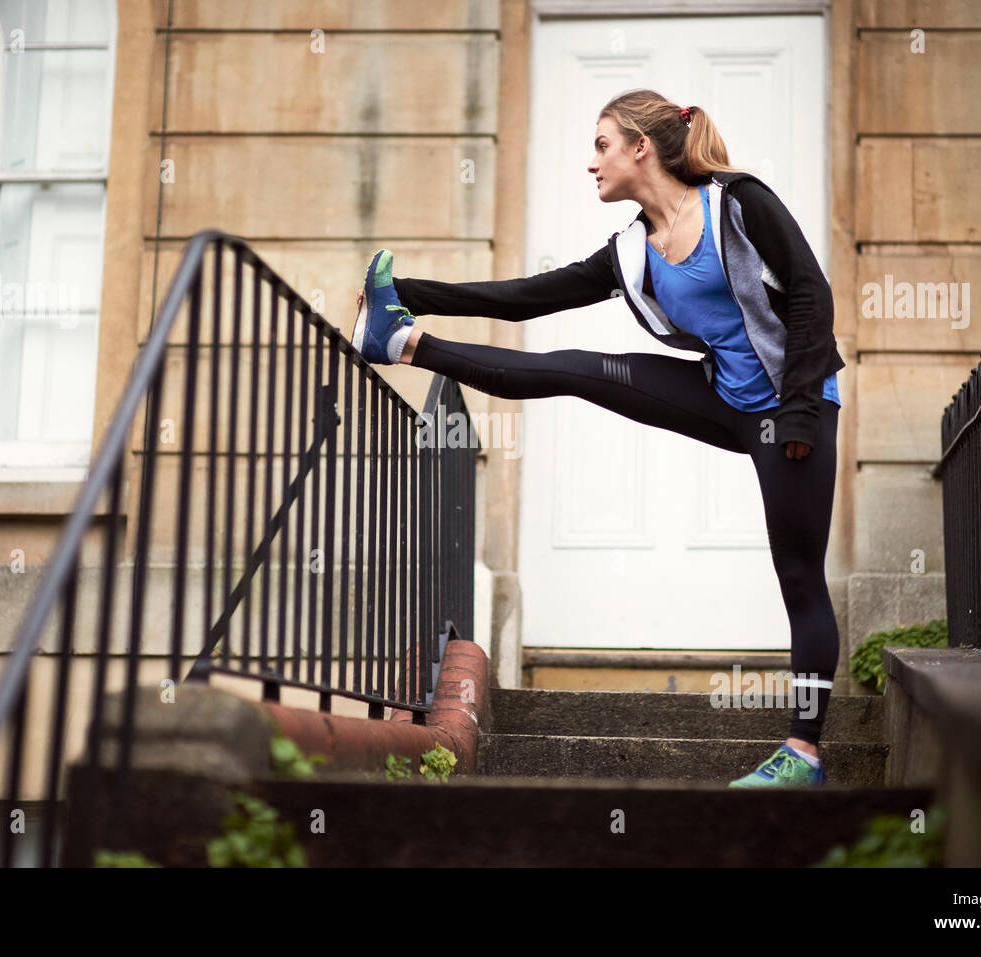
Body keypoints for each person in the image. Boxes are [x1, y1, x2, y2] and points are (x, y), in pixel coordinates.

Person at [349, 88, 845, 788]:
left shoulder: (738, 203)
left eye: (602, 145)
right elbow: (530, 295)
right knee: (576, 369)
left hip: (796, 411)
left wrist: (797, 410)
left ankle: (805, 752)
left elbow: (808, 294)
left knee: (799, 574)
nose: (592, 163)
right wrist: (410, 289)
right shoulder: (633, 253)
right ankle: (399, 339)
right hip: (724, 397)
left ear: (642, 146)